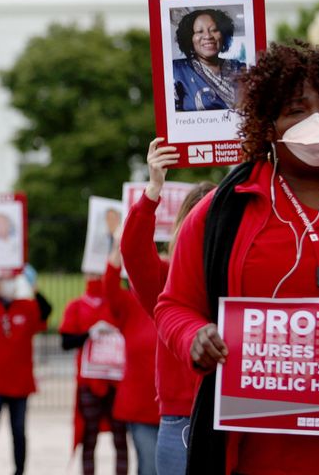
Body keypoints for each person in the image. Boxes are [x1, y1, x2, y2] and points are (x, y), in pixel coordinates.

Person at [156, 42, 319, 475]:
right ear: (268, 125)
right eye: (296, 110)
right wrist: (194, 335)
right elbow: (173, 305)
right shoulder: (218, 213)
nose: (318, 123)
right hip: (255, 458)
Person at [119, 139, 215, 475]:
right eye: (198, 223)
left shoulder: (241, 275)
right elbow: (132, 251)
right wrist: (153, 189)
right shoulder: (164, 277)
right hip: (182, 422)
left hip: (232, 416)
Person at [0, 268, 52, 475]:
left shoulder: (27, 306)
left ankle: (19, 470)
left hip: (19, 381)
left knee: (18, 431)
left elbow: (46, 310)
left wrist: (32, 286)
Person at [61, 274, 129, 475]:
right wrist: (88, 334)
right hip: (89, 383)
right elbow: (65, 342)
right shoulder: (77, 306)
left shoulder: (120, 303)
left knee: (120, 438)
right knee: (89, 437)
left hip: (117, 382)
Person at [101, 255, 160, 475]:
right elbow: (109, 287)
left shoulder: (178, 302)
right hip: (141, 408)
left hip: (178, 407)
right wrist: (118, 248)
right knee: (149, 467)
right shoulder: (129, 304)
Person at [172, 8, 246, 112]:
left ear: (223, 35)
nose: (208, 36)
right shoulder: (177, 71)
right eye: (199, 31)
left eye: (214, 30)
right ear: (189, 38)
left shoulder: (241, 69)